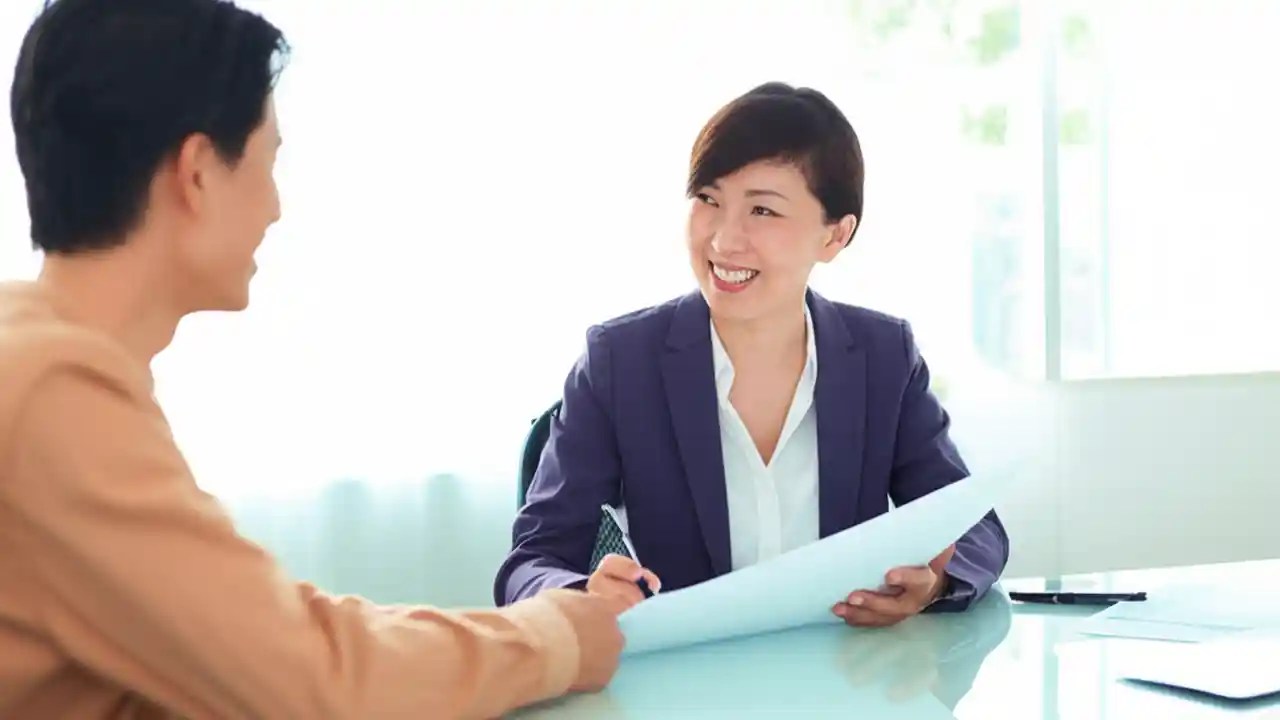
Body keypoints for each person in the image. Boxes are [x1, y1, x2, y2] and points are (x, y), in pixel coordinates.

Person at [0, 1, 622, 717]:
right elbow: (311, 681)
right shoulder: (55, 397)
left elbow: (253, 633)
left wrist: (529, 631)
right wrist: (554, 641)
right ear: (197, 174)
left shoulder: (37, 352)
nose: (274, 208)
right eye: (267, 162)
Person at [496, 82, 1009, 627]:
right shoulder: (620, 363)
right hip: (686, 686)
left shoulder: (883, 359)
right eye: (709, 201)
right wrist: (581, 594)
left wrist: (933, 585)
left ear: (835, 236)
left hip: (844, 681)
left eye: (762, 210)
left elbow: (972, 528)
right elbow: (532, 562)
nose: (723, 240)